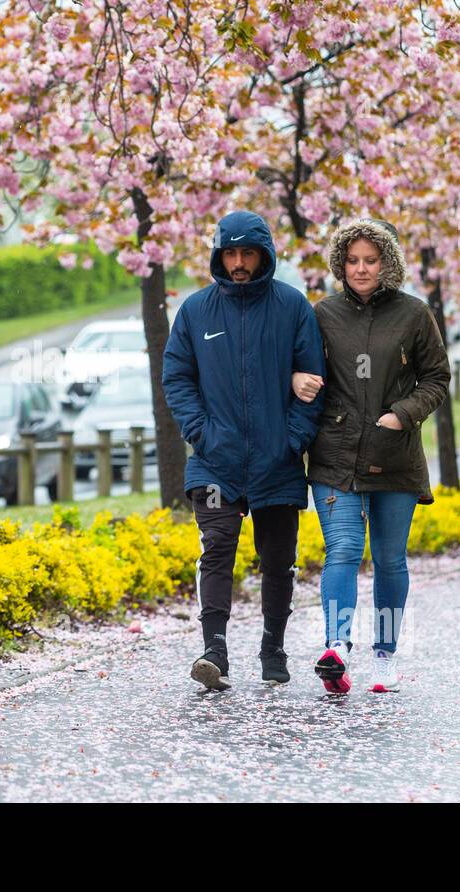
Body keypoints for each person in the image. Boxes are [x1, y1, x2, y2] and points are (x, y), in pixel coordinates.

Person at [163, 210, 325, 691]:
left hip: (278, 465)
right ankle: (214, 649)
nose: (238, 262)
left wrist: (291, 441)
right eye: (230, 253)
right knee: (216, 549)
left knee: (278, 560)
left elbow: (315, 381)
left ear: (264, 255)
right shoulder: (195, 311)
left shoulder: (293, 307)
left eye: (247, 253)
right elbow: (177, 378)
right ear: (218, 254)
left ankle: (272, 648)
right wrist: (201, 433)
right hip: (216, 464)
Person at [291, 218, 451, 694]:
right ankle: (336, 647)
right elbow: (297, 367)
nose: (361, 269)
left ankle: (385, 655)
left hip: (394, 456)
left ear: (388, 263)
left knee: (388, 559)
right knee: (341, 550)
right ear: (341, 263)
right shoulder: (322, 315)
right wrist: (294, 380)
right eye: (353, 260)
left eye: (371, 260)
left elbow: (437, 378)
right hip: (334, 455)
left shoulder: (414, 315)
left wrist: (403, 414)